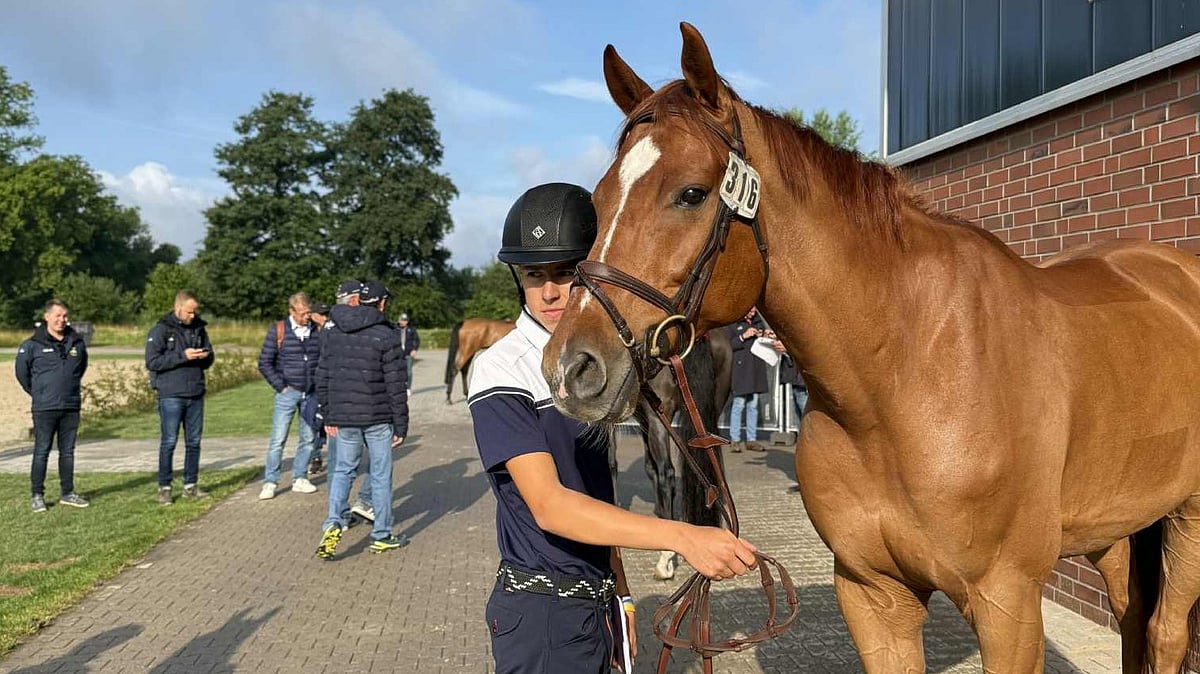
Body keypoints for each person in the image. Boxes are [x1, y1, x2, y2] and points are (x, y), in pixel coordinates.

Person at [469, 182, 758, 674]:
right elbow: (551, 505)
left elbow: (595, 490)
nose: (551, 291)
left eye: (566, 272)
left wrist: (621, 591)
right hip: (544, 616)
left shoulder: (588, 363)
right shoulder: (502, 368)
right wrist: (682, 536)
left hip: (596, 605)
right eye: (534, 275)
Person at [314, 281, 409, 558]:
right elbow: (395, 384)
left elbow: (323, 376)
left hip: (343, 416)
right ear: (381, 304)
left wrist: (328, 413)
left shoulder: (332, 331)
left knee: (343, 470)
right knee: (379, 475)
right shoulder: (386, 334)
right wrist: (401, 425)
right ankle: (381, 535)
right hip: (378, 417)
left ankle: (334, 522)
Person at [16, 299, 90, 512]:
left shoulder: (77, 342)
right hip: (44, 408)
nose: (62, 319)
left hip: (70, 406)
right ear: (46, 317)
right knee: (42, 451)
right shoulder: (31, 345)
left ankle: (68, 492)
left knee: (67, 452)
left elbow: (80, 368)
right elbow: (23, 375)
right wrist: (39, 393)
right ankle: (37, 495)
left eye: (65, 316)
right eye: (57, 315)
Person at [146, 290, 215, 505]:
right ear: (178, 308)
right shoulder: (160, 330)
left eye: (195, 312)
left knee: (194, 442)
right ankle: (165, 487)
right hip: (171, 394)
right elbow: (152, 362)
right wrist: (182, 356)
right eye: (189, 311)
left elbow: (210, 356)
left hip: (195, 392)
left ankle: (190, 485)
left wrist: (205, 356)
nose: (193, 315)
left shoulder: (199, 328)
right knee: (169, 442)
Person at [257, 292, 321, 500]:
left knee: (309, 438)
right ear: (291, 311)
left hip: (311, 392)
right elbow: (264, 362)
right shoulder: (279, 330)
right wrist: (281, 386)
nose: (306, 317)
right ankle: (270, 481)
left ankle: (300, 477)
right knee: (278, 438)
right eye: (302, 313)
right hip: (288, 390)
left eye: (308, 313)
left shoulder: (316, 330)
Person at [726, 307, 770, 453]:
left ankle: (751, 440)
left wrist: (765, 335)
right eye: (750, 310)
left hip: (756, 372)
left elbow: (763, 342)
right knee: (739, 404)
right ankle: (735, 440)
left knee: (753, 405)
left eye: (755, 309)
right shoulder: (732, 321)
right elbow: (728, 345)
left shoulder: (758, 322)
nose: (753, 312)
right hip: (741, 371)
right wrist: (743, 336)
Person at [305, 301, 331, 476]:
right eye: (320, 314)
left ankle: (318, 455)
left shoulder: (332, 331)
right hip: (312, 382)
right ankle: (315, 456)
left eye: (325, 313)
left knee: (322, 420)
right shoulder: (311, 331)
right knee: (314, 420)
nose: (323, 317)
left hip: (327, 382)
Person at [396, 312, 419, 396]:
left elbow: (417, 340)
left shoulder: (411, 329)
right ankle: (399, 388)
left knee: (408, 372)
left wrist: (415, 349)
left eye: (405, 320)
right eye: (402, 320)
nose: (403, 322)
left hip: (408, 353)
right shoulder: (395, 329)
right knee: (397, 372)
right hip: (397, 354)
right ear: (399, 320)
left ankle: (408, 388)